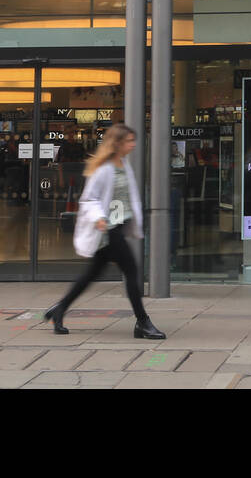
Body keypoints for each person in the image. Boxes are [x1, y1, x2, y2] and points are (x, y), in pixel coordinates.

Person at [44, 124, 165, 340]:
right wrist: (99, 218)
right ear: (117, 143)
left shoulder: (124, 164)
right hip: (108, 228)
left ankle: (59, 309)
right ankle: (143, 323)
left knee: (92, 274)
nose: (133, 144)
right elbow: (89, 198)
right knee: (132, 271)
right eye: (129, 141)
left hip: (116, 226)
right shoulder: (104, 169)